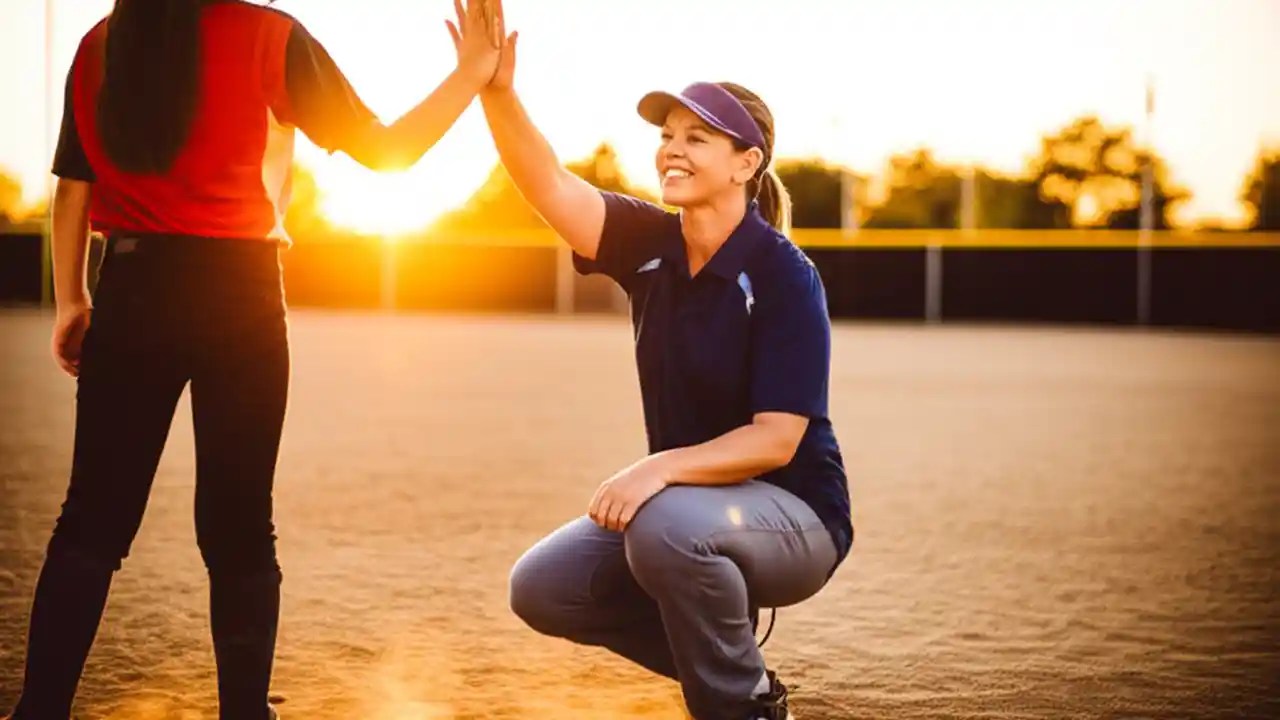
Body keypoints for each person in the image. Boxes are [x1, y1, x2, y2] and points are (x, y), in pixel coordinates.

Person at [4, 1, 502, 718]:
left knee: (90, 523)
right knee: (240, 529)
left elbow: (73, 187)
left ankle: (38, 710)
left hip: (135, 290)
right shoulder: (269, 34)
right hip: (239, 297)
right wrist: (470, 75)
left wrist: (73, 300)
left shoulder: (100, 41)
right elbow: (389, 152)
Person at [474, 19, 854, 720]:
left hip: (796, 519)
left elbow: (776, 440)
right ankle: (745, 674)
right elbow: (548, 183)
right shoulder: (649, 241)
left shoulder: (782, 275)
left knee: (662, 525)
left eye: (696, 138)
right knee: (545, 587)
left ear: (747, 162)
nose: (672, 151)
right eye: (667, 136)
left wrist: (652, 470)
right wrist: (497, 92)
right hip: (687, 510)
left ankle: (740, 711)